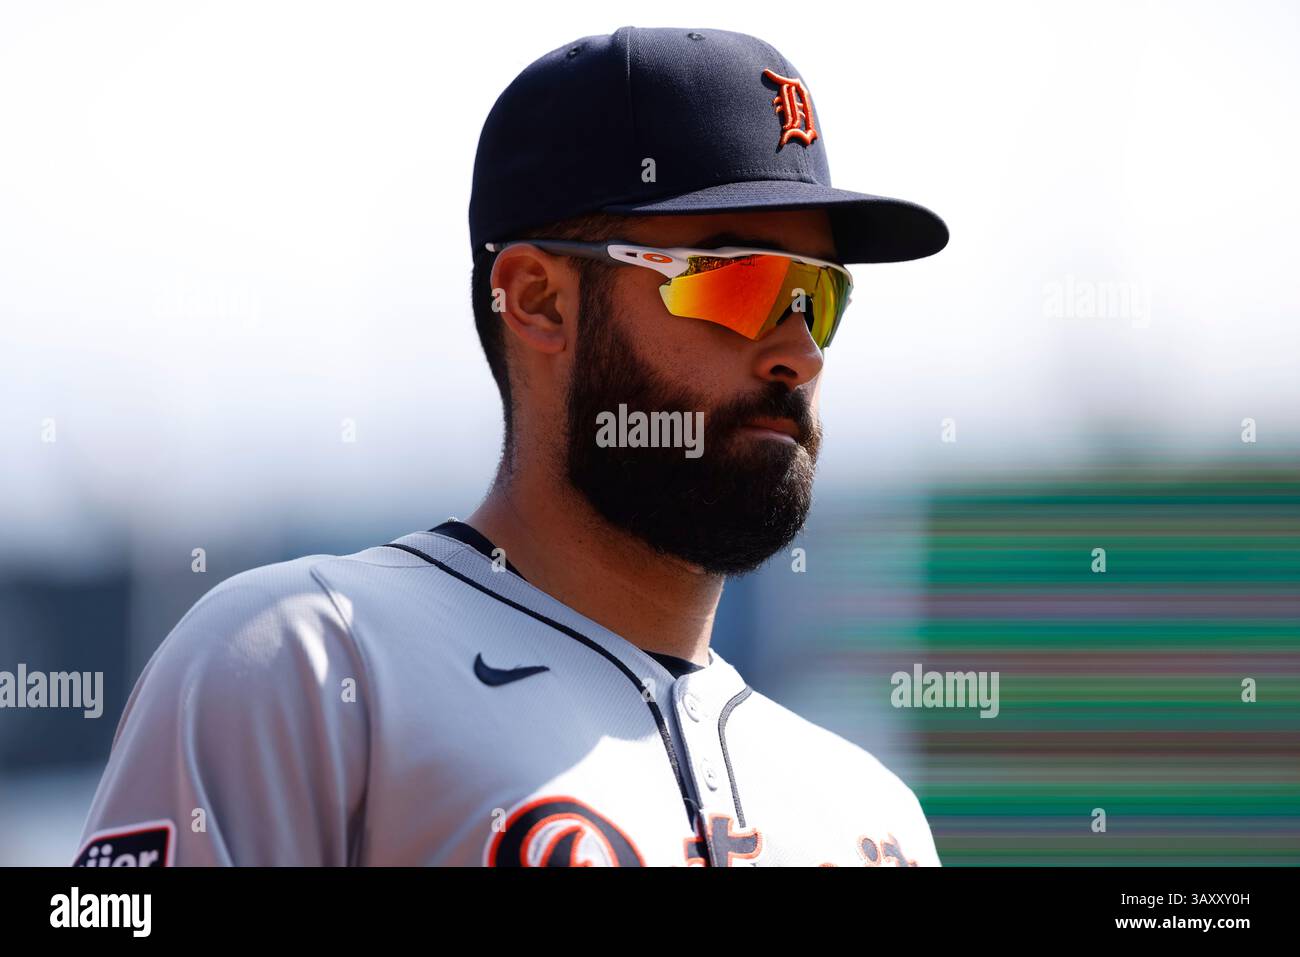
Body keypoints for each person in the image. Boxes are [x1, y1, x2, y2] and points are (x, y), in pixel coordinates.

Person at [75, 25, 948, 867]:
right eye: (741, 280)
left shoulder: (874, 818)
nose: (800, 349)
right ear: (538, 301)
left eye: (819, 294)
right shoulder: (306, 663)